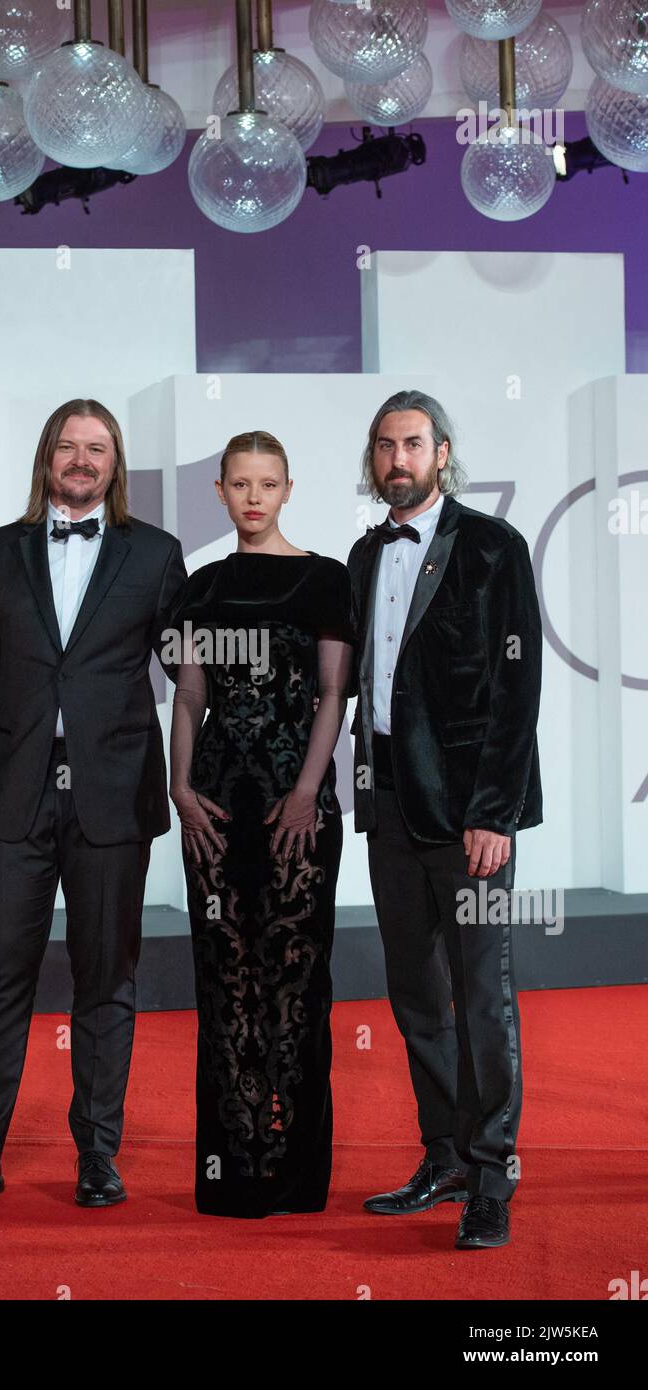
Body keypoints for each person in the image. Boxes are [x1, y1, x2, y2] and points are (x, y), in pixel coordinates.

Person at [0, 398, 187, 1212]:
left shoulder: (157, 554)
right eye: (67, 446)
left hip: (112, 796)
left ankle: (97, 1155)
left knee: (107, 977)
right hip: (9, 796)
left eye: (96, 448)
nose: (80, 459)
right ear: (46, 459)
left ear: (115, 463)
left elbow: (190, 676)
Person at [346, 389, 542, 1250]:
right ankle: (444, 1156)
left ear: (442, 452)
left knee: (483, 999)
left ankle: (492, 1175)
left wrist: (493, 814)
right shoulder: (362, 554)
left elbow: (516, 693)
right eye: (385, 446)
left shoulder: (492, 548)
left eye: (413, 445)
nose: (398, 459)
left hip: (470, 820)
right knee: (417, 996)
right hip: (387, 809)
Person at [160, 431, 357, 1218]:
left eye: (266, 483)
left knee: (296, 986)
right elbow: (187, 698)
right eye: (238, 483)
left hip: (295, 809)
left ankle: (296, 1176)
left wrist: (308, 788)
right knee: (226, 986)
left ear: (286, 489)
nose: (252, 496)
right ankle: (232, 1174)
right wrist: (178, 784)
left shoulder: (324, 579)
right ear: (219, 491)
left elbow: (331, 696)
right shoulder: (200, 588)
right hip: (213, 809)